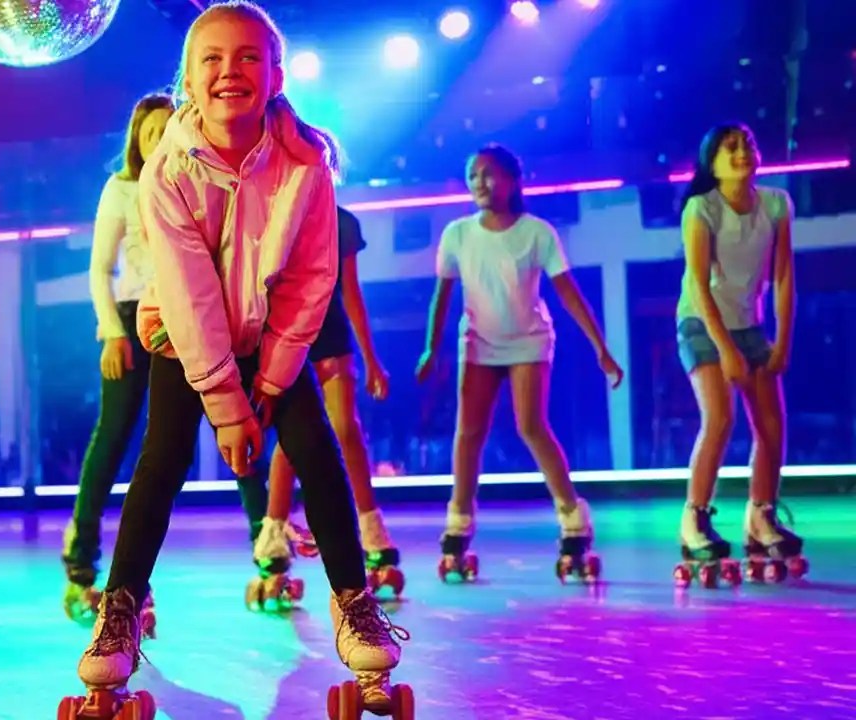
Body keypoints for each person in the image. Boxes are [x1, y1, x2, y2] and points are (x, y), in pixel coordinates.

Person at [65, 3, 406, 716]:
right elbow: (188, 292)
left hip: (271, 332)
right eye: (212, 60)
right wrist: (228, 407)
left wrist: (274, 381)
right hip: (182, 333)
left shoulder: (306, 165)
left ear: (276, 76)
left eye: (249, 56)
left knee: (316, 448)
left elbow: (312, 279)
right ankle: (118, 611)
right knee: (162, 458)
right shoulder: (167, 170)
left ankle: (354, 602)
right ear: (188, 81)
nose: (231, 71)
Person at [62, 92, 273, 625]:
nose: (159, 139)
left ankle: (267, 545)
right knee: (115, 435)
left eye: (167, 128)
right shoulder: (122, 188)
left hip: (199, 315)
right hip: (137, 319)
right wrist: (112, 332)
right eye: (149, 132)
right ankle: (82, 558)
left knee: (234, 422)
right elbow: (100, 268)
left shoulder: (200, 176)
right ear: (136, 140)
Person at [415, 144, 623, 584]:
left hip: (529, 340)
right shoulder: (457, 234)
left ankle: (573, 517)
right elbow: (442, 295)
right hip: (478, 342)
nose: (480, 182)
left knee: (532, 426)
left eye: (490, 174)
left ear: (512, 180)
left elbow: (568, 292)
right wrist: (431, 347)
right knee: (469, 432)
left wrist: (600, 347)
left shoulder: (537, 233)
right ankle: (459, 521)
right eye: (473, 175)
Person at [671, 122, 806, 587]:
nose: (742, 151)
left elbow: (784, 276)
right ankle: (694, 519)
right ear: (712, 163)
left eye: (747, 143)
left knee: (771, 423)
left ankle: (761, 516)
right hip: (701, 321)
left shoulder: (776, 204)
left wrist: (782, 340)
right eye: (730, 147)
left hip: (749, 324)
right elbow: (699, 285)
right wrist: (726, 350)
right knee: (720, 417)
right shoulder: (701, 208)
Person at [253, 205, 402, 606]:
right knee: (293, 436)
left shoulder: (342, 222)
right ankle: (273, 536)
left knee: (346, 428)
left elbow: (351, 292)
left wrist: (371, 359)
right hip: (287, 334)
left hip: (330, 334)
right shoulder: (272, 213)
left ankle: (371, 532)